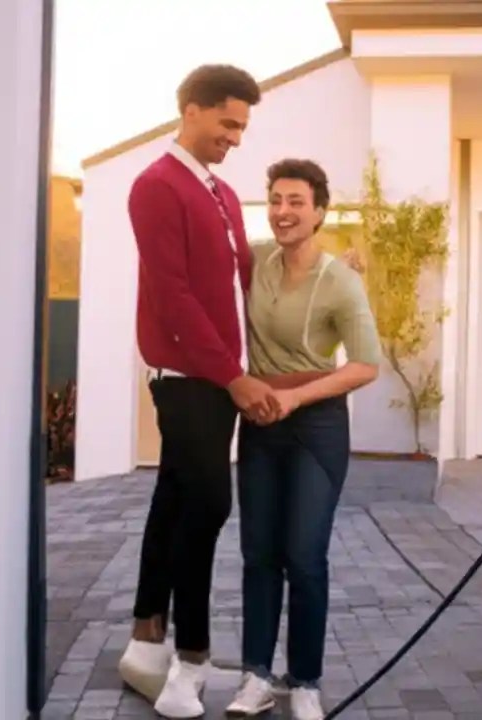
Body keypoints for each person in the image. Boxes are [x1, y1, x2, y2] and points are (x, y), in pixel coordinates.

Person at [116, 63, 278, 719]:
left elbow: (240, 271)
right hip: (188, 379)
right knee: (208, 505)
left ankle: (145, 640)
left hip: (218, 377)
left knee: (175, 498)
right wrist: (235, 377)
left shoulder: (224, 194)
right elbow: (174, 296)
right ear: (190, 110)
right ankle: (193, 659)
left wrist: (314, 257)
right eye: (227, 122)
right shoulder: (155, 187)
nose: (235, 137)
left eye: (242, 126)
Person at [224, 159, 381, 720]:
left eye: (296, 202)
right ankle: (256, 678)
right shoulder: (256, 259)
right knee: (258, 554)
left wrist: (296, 396)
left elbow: (366, 365)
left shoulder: (339, 279)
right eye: (276, 200)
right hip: (262, 423)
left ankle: (305, 681)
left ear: (318, 212)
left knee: (305, 556)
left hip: (315, 426)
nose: (283, 211)